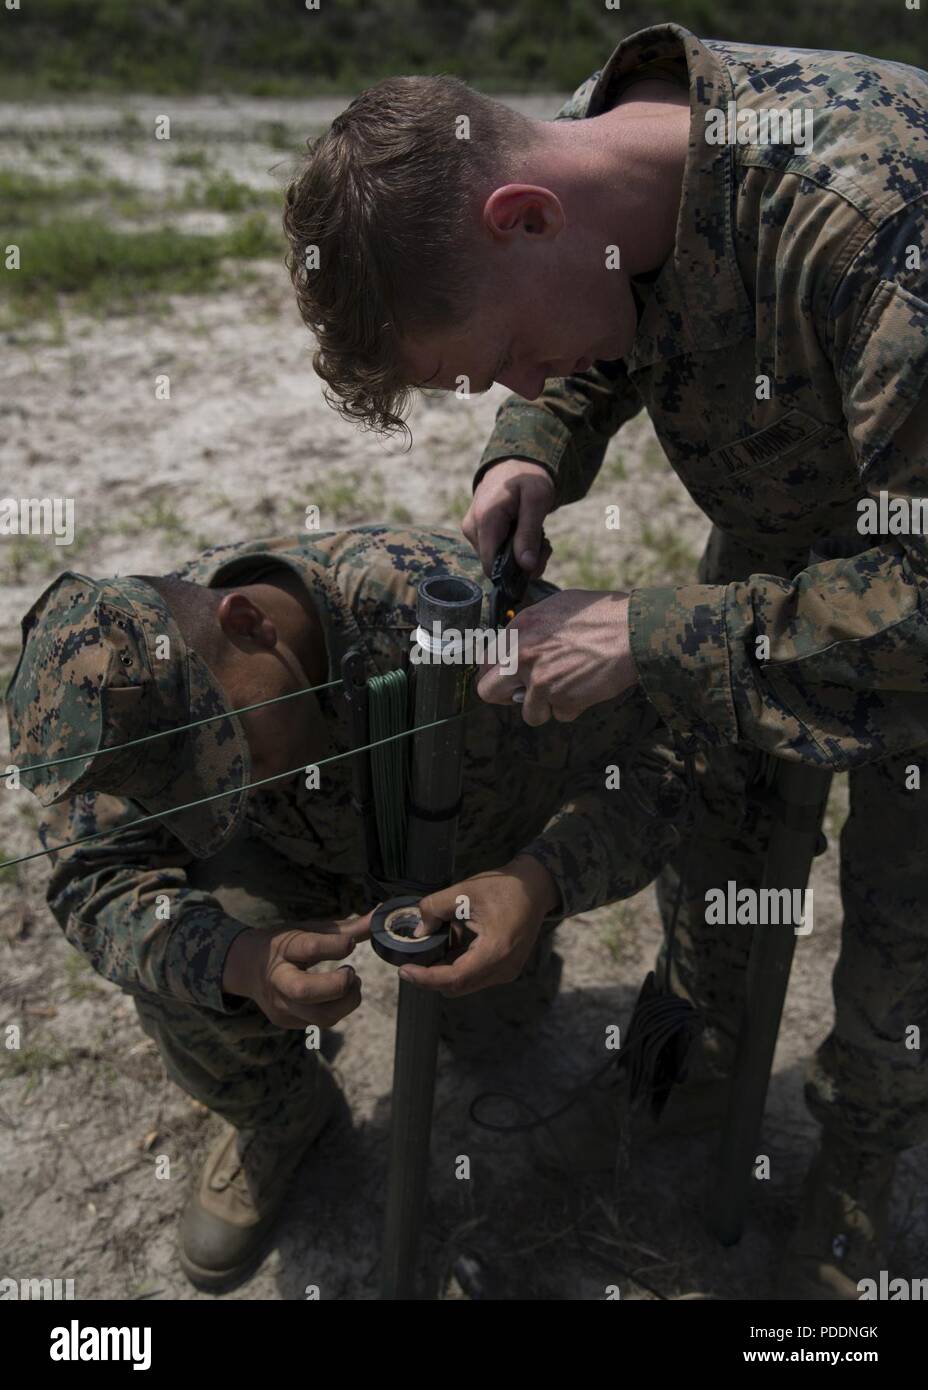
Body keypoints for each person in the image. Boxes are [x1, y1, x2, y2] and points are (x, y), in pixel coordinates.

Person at [282, 22, 928, 1298]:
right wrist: (527, 445)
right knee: (723, 807)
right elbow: (610, 319)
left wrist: (645, 630)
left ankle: (857, 1160)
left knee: (905, 910)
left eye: (504, 360)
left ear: (522, 215)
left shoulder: (876, 230)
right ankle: (698, 1040)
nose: (522, 377)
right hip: (786, 515)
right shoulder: (598, 155)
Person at [4, 524, 688, 1292]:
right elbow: (93, 879)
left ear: (249, 623)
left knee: (494, 1032)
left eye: (230, 755)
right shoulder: (125, 696)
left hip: (475, 866)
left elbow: (671, 760)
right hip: (293, 868)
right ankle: (282, 1117)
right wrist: (241, 962)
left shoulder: (459, 619)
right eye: (190, 792)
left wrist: (539, 884)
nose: (226, 794)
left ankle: (507, 981)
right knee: (181, 956)